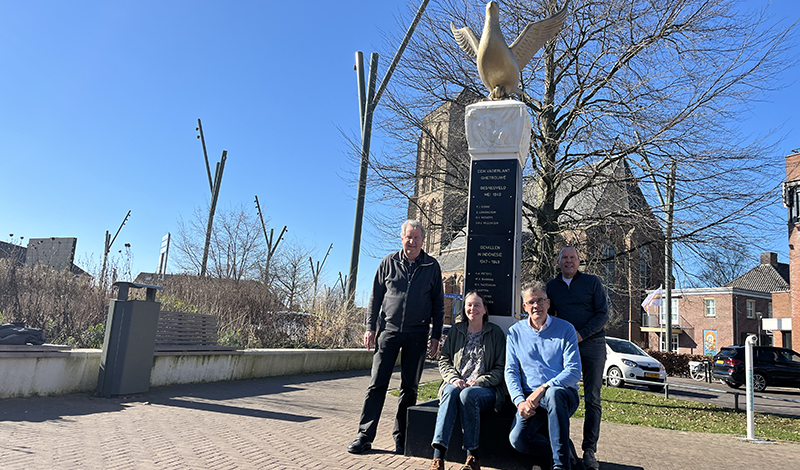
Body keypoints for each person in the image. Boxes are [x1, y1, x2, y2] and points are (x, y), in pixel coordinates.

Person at [347, 219, 445, 455]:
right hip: (388, 332)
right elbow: (375, 298)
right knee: (377, 384)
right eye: (408, 237)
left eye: (416, 238)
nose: (412, 242)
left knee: (409, 388)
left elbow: (438, 304)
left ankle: (402, 438)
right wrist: (370, 327)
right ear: (402, 239)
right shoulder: (388, 263)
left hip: (417, 333)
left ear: (423, 240)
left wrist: (436, 335)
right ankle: (364, 436)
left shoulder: (431, 266)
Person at [506, 282, 582, 470]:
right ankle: (565, 451)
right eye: (531, 302)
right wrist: (519, 402)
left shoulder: (566, 329)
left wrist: (543, 388)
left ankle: (560, 466)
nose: (536, 306)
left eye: (540, 301)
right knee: (518, 440)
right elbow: (511, 370)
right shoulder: (515, 332)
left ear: (548, 303)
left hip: (563, 394)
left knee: (554, 394)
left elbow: (574, 371)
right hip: (530, 399)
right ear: (524, 307)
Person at [546, 246, 609, 470]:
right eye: (564, 258)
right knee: (557, 394)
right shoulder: (551, 286)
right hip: (565, 347)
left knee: (592, 398)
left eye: (572, 257)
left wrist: (582, 334)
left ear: (579, 261)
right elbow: (548, 316)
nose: (568, 261)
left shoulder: (592, 282)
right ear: (559, 262)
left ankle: (589, 450)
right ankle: (562, 446)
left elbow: (603, 314)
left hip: (592, 344)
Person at [428, 291, 506, 470]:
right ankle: (438, 457)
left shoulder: (495, 333)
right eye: (469, 305)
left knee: (468, 395)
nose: (473, 309)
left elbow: (500, 368)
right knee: (449, 391)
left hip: (485, 389)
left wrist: (480, 381)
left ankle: (473, 457)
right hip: (457, 383)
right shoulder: (456, 330)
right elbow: (444, 360)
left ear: (485, 309)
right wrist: (453, 378)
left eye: (477, 305)